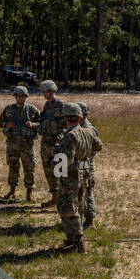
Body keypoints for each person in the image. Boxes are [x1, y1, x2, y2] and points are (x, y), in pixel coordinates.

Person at [53, 103, 99, 253]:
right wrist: (85, 156)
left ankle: (76, 243)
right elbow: (99, 146)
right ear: (80, 117)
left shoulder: (70, 136)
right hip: (84, 174)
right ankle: (74, 241)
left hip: (71, 176)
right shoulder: (88, 132)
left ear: (65, 117)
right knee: (78, 206)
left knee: (67, 207)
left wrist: (54, 160)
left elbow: (67, 160)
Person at [0, 85, 40, 200]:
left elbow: (42, 125)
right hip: (12, 144)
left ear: (26, 97)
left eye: (22, 96)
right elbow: (0, 123)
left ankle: (29, 193)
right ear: (15, 97)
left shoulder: (32, 110)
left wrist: (33, 125)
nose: (20, 98)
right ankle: (12, 191)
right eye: (18, 96)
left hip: (27, 145)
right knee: (13, 167)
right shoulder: (8, 109)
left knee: (29, 168)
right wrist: (6, 125)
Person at [35, 80, 66, 207]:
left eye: (45, 92)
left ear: (51, 91)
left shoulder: (61, 105)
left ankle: (63, 200)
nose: (43, 94)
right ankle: (54, 197)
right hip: (46, 142)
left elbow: (62, 124)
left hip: (56, 143)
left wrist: (41, 126)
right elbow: (43, 119)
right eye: (42, 92)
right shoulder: (47, 105)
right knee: (48, 171)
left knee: (59, 171)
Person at [78, 102, 98, 228]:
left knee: (87, 192)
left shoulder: (88, 129)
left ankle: (90, 220)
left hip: (86, 164)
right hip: (82, 164)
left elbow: (96, 147)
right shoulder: (82, 127)